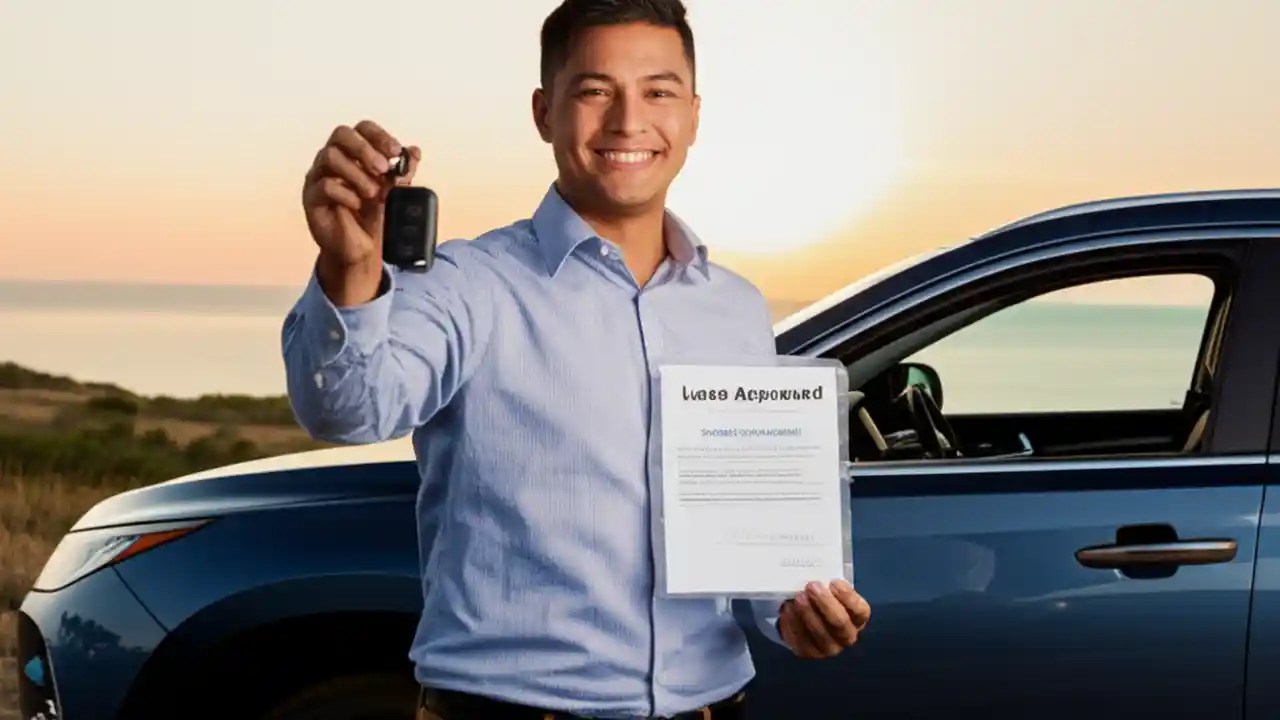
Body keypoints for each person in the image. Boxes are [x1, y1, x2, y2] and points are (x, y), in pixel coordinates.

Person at [282, 0, 870, 717]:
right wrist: (349, 267)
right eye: (595, 91)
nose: (628, 121)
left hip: (713, 704)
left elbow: (741, 521)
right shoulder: (466, 284)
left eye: (657, 91)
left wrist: (793, 609)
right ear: (544, 112)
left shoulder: (736, 308)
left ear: (692, 113)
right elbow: (347, 410)